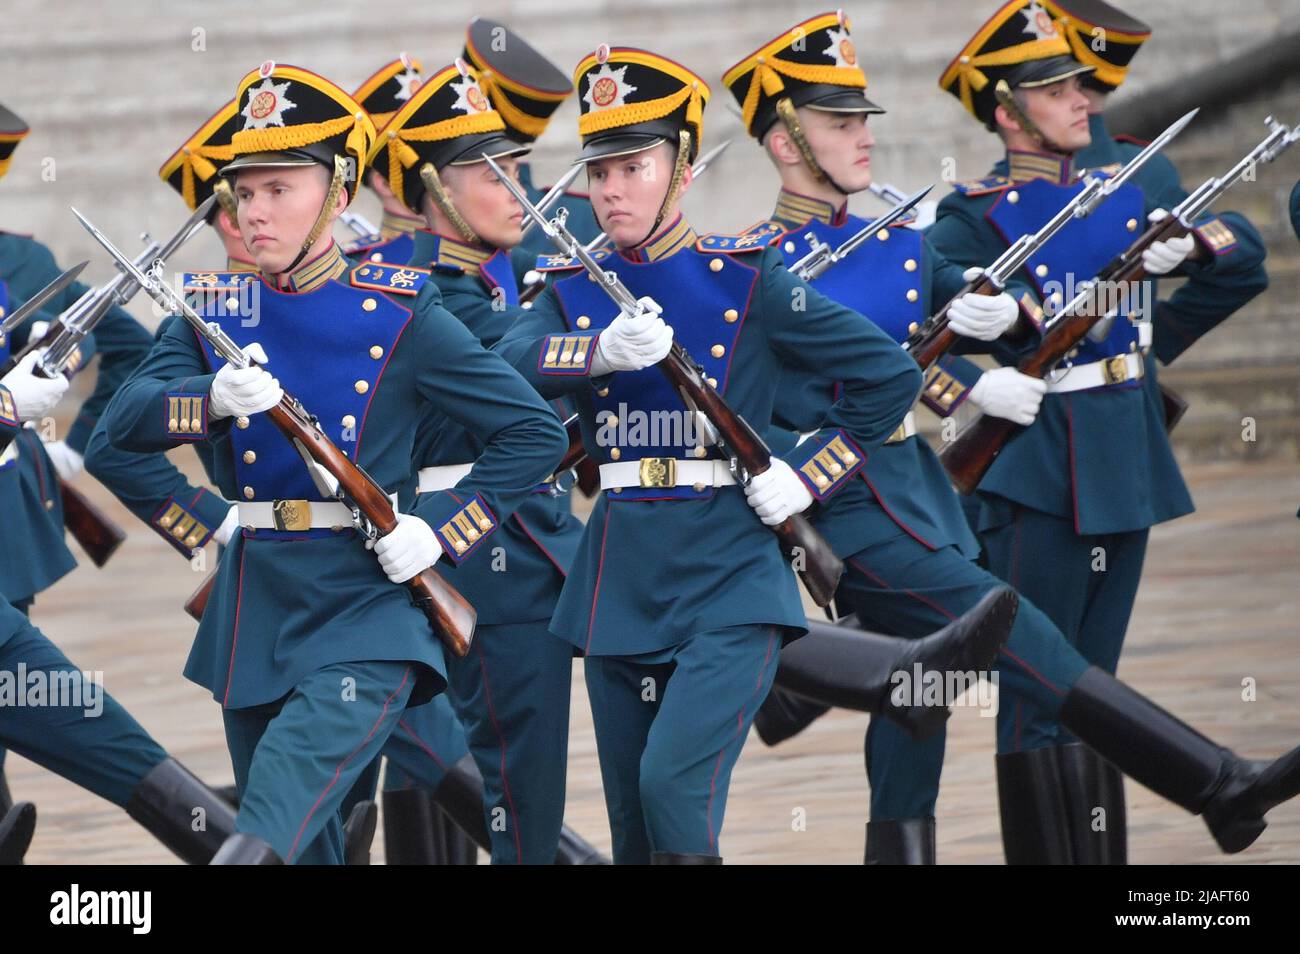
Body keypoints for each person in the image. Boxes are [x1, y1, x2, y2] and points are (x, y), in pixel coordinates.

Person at [101, 61, 567, 864]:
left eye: (279, 188)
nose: (253, 211)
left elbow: (533, 434)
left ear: (339, 196)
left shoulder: (396, 310)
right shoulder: (212, 312)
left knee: (273, 807)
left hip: (365, 609)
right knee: (311, 846)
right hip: (256, 606)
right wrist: (211, 398)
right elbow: (119, 431)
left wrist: (442, 532)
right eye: (243, 193)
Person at [496, 43, 925, 863]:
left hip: (731, 575)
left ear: (684, 168)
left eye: (633, 168)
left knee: (672, 790)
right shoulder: (570, 289)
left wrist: (807, 475)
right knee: (633, 831)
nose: (611, 190)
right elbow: (506, 368)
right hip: (622, 574)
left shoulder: (746, 278)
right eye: (599, 172)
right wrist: (597, 355)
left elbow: (888, 376)